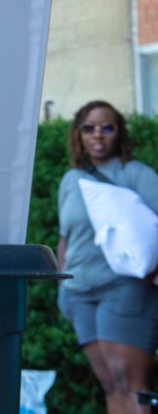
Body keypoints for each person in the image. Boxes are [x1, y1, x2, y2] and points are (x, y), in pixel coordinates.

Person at [57, 101, 158, 414]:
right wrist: (62, 283)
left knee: (131, 384)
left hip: (124, 289)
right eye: (89, 128)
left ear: (120, 133)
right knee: (110, 384)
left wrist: (150, 274)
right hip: (79, 294)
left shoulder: (135, 173)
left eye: (107, 127)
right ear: (78, 134)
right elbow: (65, 237)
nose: (97, 135)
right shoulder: (71, 179)